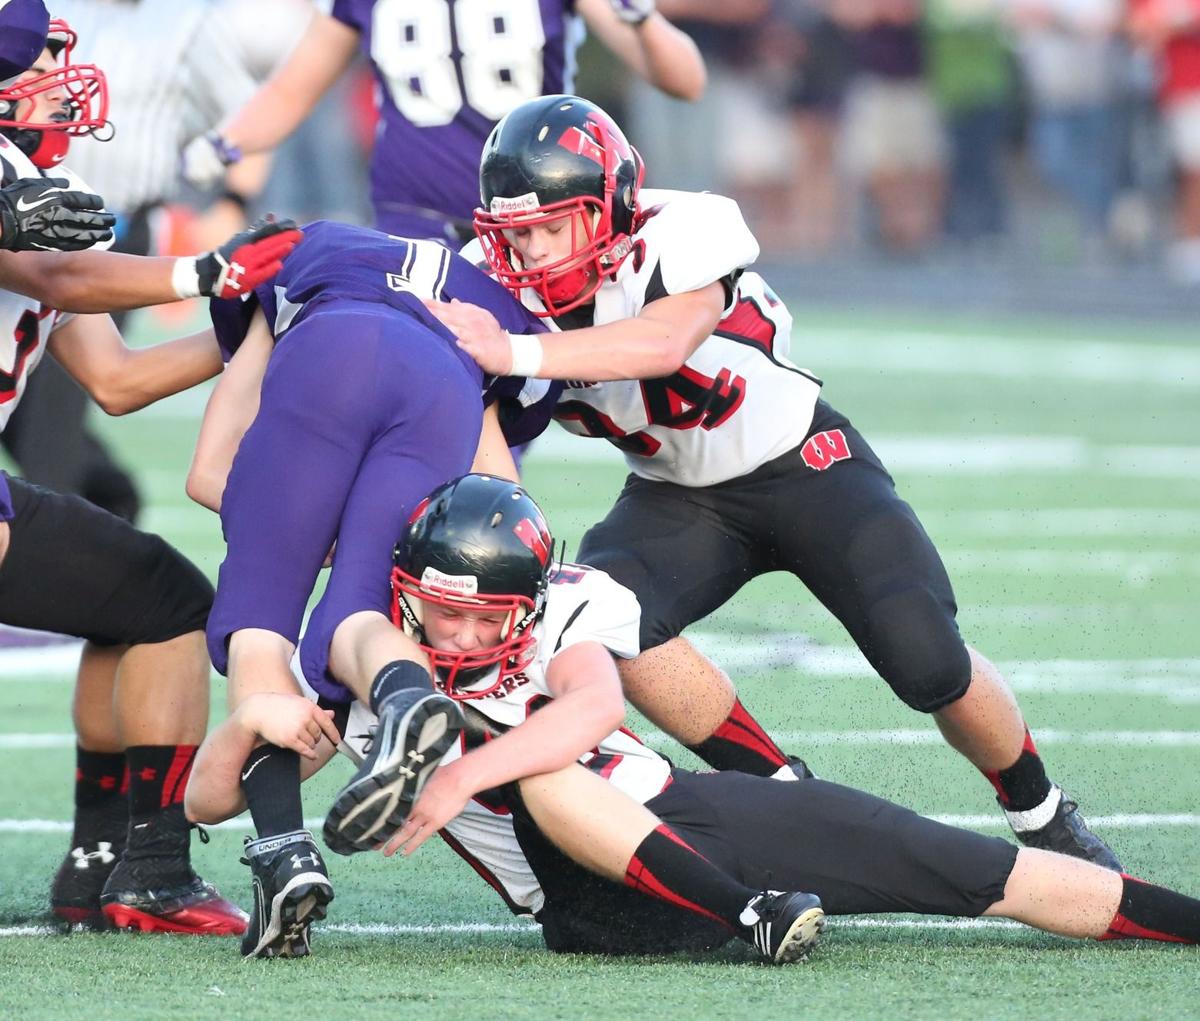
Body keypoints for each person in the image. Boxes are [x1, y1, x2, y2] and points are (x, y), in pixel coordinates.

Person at [427, 93, 1123, 871]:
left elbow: (663, 342)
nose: (531, 254)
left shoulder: (687, 226)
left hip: (805, 463)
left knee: (929, 658)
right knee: (597, 618)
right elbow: (484, 439)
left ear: (612, 206)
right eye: (515, 234)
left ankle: (1041, 810)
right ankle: (786, 795)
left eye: (552, 227)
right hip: (675, 493)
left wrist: (513, 353)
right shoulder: (489, 284)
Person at [184, 473, 1200, 963]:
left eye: (484, 616)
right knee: (542, 772)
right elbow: (206, 799)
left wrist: (456, 774)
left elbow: (593, 704)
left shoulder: (569, 613)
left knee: (970, 866)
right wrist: (259, 716)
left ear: (529, 605)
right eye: (441, 609)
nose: (457, 632)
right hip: (584, 894)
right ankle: (749, 914)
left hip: (685, 808)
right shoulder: (369, 661)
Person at [0, 7, 302, 934]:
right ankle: (151, 871)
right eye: (37, 61)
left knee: (151, 601)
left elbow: (117, 378)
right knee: (164, 601)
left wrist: (249, 325)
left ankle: (108, 864)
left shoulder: (47, 187)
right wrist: (205, 272)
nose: (62, 73)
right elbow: (56, 278)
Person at [187, 219, 565, 957]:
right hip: (442, 383)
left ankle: (283, 853)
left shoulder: (304, 251)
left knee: (261, 623)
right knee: (357, 614)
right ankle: (402, 698)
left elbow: (209, 473)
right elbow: (494, 507)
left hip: (328, 349)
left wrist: (298, 534)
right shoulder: (492, 305)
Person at [180, 0, 706, 243]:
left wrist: (646, 19)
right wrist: (224, 144)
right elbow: (290, 91)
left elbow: (685, 80)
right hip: (412, 219)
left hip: (531, 226)